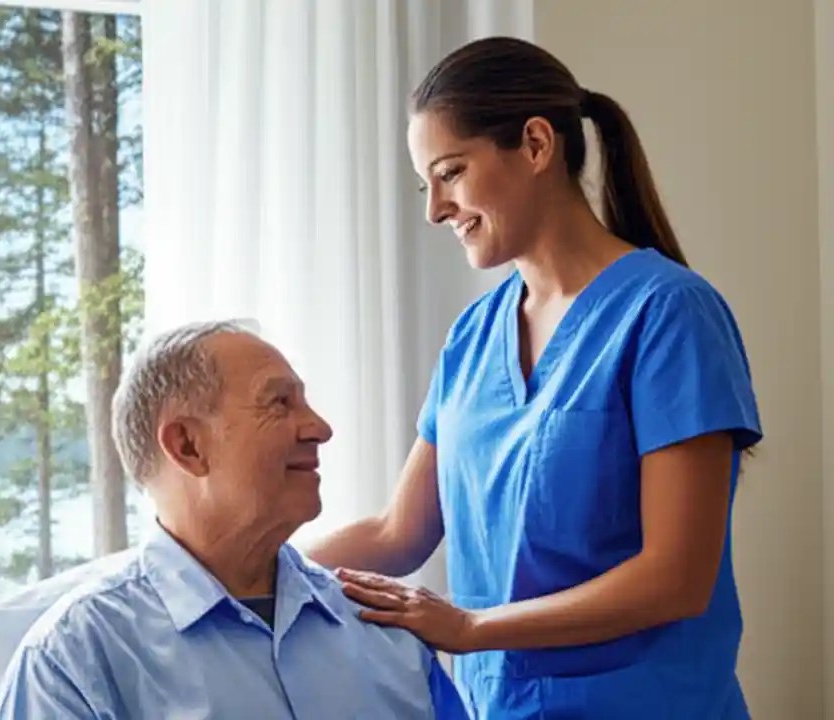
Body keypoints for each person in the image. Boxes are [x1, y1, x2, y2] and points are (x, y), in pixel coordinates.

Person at [305, 36, 763, 719]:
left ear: (538, 145)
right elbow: (399, 531)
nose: (434, 208)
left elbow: (677, 579)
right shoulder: (473, 337)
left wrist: (470, 628)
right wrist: (253, 568)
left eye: (451, 172)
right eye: (425, 184)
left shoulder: (669, 314)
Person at [0, 320, 469, 719]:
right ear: (188, 446)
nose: (320, 427)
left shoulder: (386, 630)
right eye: (280, 403)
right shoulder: (73, 658)